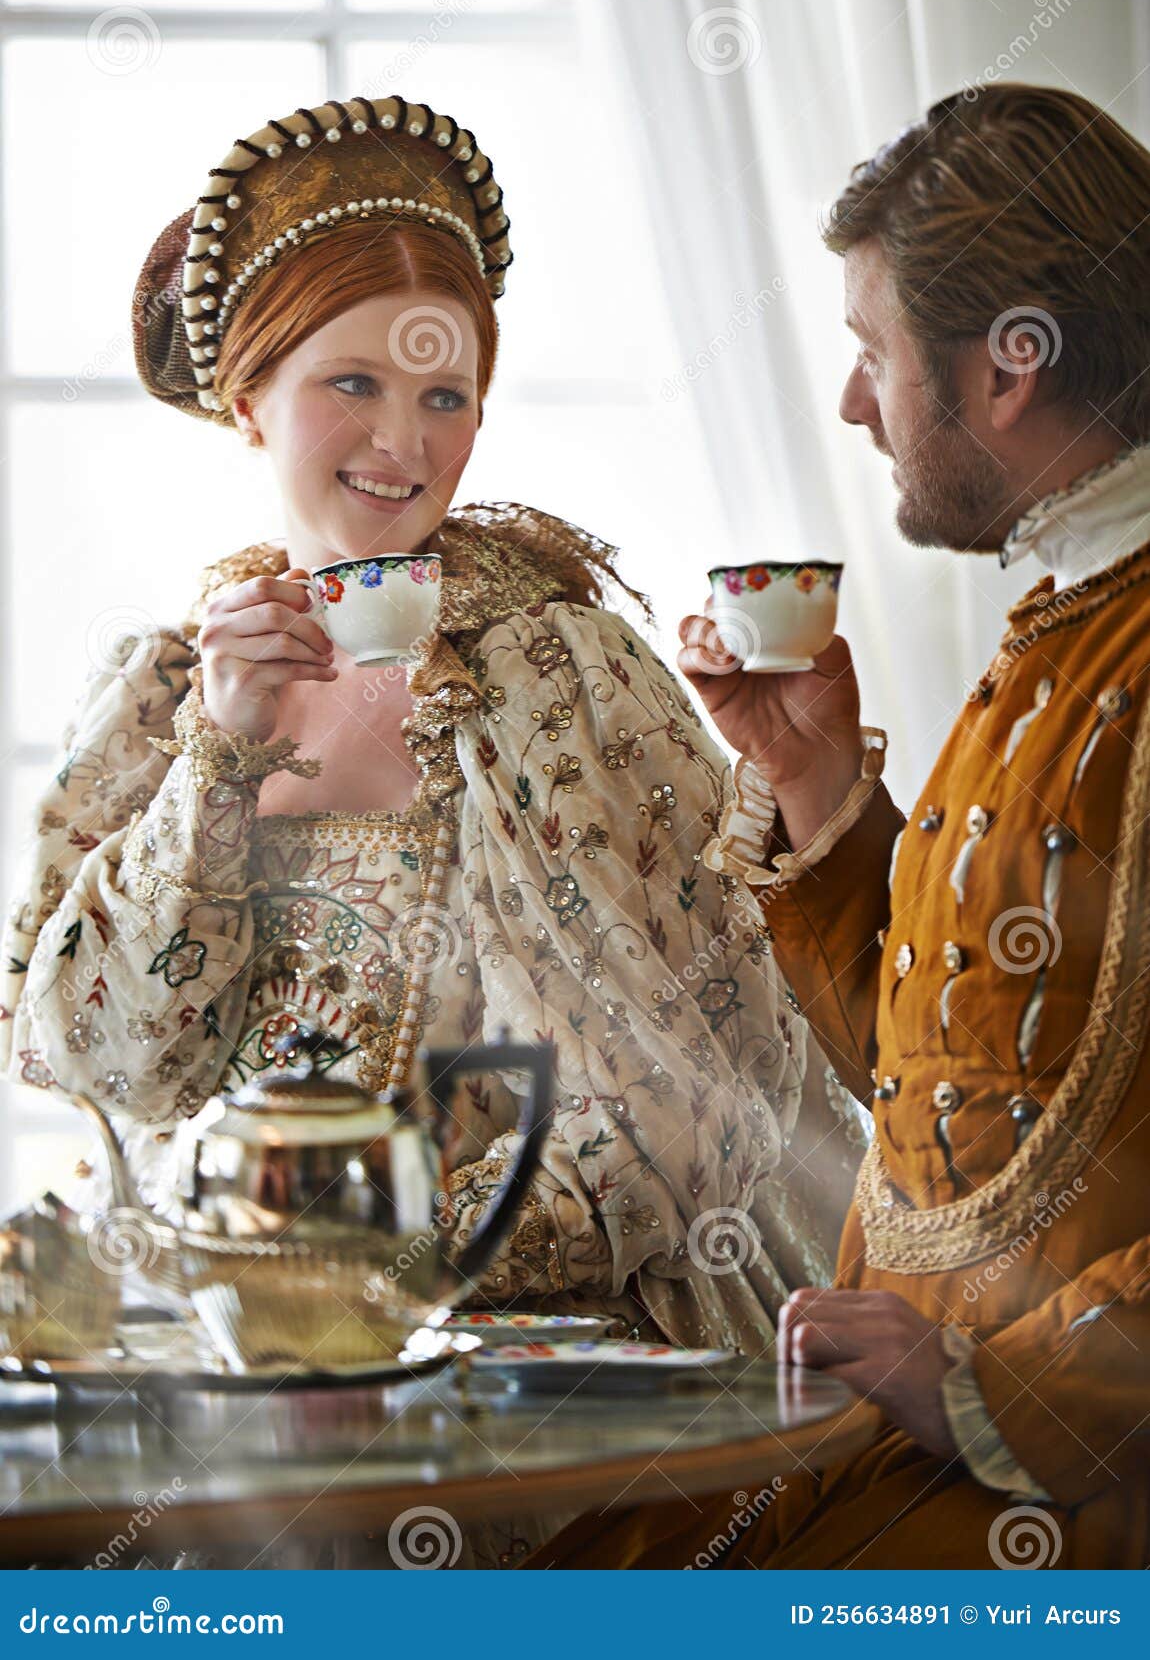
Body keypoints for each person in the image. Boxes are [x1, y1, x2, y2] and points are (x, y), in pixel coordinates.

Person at [0, 92, 866, 1568]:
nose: (405, 444)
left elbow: (701, 1095)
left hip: (570, 1384)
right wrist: (215, 765)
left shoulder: (565, 674)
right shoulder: (159, 700)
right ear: (246, 397)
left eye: (445, 395)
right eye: (354, 384)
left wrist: (390, 1277)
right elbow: (101, 1057)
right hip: (272, 1373)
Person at [527, 83, 1150, 1570]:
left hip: (1067, 1486)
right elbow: (954, 1075)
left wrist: (995, 1390)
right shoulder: (1063, 623)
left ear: (1010, 368)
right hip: (900, 1425)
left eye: (872, 350)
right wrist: (813, 782)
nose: (852, 402)